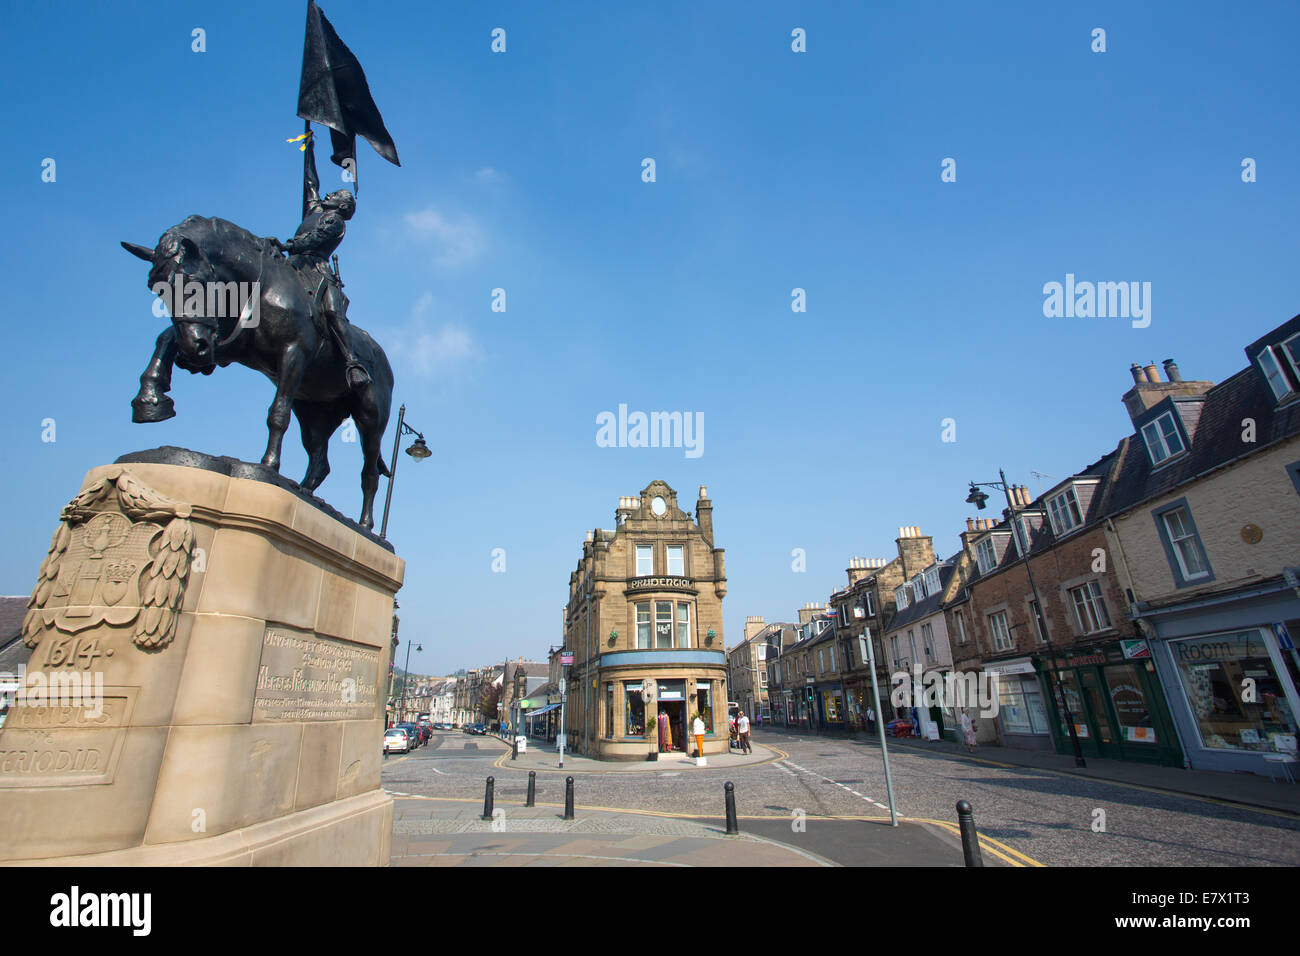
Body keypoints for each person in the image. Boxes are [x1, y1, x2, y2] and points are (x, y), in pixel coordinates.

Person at [271, 130, 370, 391]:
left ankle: (351, 361)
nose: (328, 195)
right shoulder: (314, 209)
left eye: (335, 195)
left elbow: (315, 239)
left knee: (332, 313)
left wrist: (288, 244)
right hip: (293, 262)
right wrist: (308, 150)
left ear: (342, 205)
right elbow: (310, 183)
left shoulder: (335, 222)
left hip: (318, 269)